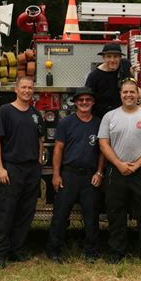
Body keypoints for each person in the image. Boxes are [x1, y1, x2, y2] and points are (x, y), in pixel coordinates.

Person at [98, 79, 141, 263]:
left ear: (138, 94)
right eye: (125, 92)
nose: (128, 95)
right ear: (120, 94)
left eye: (132, 92)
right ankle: (116, 253)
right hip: (116, 171)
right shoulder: (110, 117)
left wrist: (138, 164)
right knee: (116, 214)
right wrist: (118, 164)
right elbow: (103, 143)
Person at [45, 87, 105, 263]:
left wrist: (100, 172)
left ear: (93, 102)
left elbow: (102, 150)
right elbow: (58, 149)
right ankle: (53, 250)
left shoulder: (99, 123)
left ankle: (91, 253)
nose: (84, 103)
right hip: (69, 175)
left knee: (91, 217)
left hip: (90, 176)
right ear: (75, 103)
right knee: (61, 215)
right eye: (81, 100)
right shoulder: (66, 123)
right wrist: (56, 175)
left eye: (88, 100)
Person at [0, 76, 44, 269]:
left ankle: (16, 250)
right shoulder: (5, 111)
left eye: (30, 88)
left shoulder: (36, 114)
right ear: (16, 89)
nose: (27, 91)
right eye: (23, 87)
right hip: (11, 168)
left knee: (25, 213)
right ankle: (0, 254)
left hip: (31, 169)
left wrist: (39, 160)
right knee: (6, 212)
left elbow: (40, 138)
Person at [85, 42, 139, 118]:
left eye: (116, 56)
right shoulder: (94, 76)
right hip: (101, 117)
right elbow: (87, 99)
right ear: (103, 58)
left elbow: (132, 87)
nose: (112, 60)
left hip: (123, 116)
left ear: (120, 57)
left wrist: (132, 75)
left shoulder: (125, 66)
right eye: (109, 56)